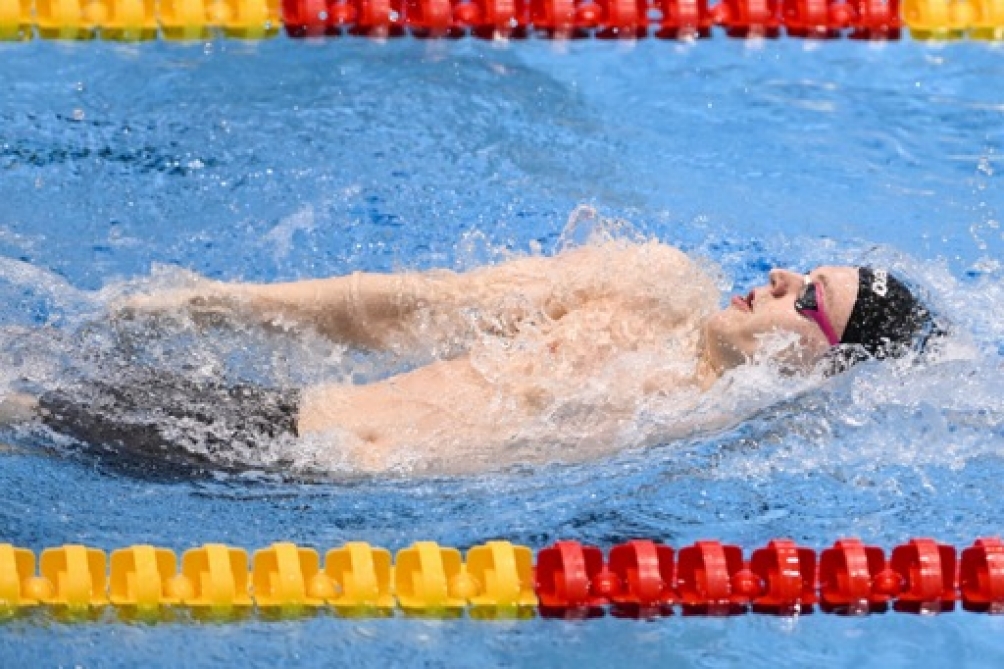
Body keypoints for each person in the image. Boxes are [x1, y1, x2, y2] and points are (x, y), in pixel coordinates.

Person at [0, 240, 940, 475]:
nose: (778, 276)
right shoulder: (648, 283)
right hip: (272, 435)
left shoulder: (722, 429)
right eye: (798, 270)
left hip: (317, 498)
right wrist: (217, 303)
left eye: (807, 298)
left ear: (818, 365)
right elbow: (407, 308)